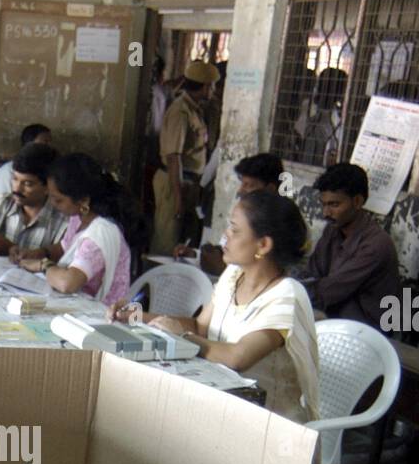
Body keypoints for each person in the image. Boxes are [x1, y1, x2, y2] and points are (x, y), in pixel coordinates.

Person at [111, 191, 319, 423]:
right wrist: (137, 316)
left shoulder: (286, 294)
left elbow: (239, 357)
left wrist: (183, 337)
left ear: (263, 244)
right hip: (225, 401)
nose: (224, 236)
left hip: (267, 419)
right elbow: (200, 326)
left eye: (234, 229)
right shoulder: (233, 275)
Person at [13, 153, 133, 306]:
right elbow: (64, 248)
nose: (52, 204)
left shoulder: (101, 232)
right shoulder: (78, 217)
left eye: (58, 200)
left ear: (83, 200)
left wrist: (43, 265)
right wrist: (37, 253)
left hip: (102, 315)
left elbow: (68, 283)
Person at [302, 162, 400, 329]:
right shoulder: (333, 230)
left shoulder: (376, 245)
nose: (326, 213)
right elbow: (312, 273)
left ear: (357, 201)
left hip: (367, 329)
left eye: (334, 204)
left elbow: (328, 291)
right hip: (336, 314)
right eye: (323, 204)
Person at [151, 59, 220, 256]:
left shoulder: (195, 109)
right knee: (166, 241)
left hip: (187, 182)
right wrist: (178, 198)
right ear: (205, 86)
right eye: (212, 85)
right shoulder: (180, 111)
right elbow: (174, 157)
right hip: (173, 182)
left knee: (182, 240)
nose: (214, 90)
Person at [175, 152, 285, 272]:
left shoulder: (281, 227)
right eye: (242, 183)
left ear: (269, 189)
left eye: (248, 185)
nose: (240, 190)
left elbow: (260, 272)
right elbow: (223, 252)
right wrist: (195, 255)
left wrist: (224, 268)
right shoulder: (245, 215)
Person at [0, 123, 51, 197]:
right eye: (45, 141)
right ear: (29, 144)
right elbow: (4, 203)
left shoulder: (48, 168)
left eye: (50, 142)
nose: (49, 146)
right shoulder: (7, 171)